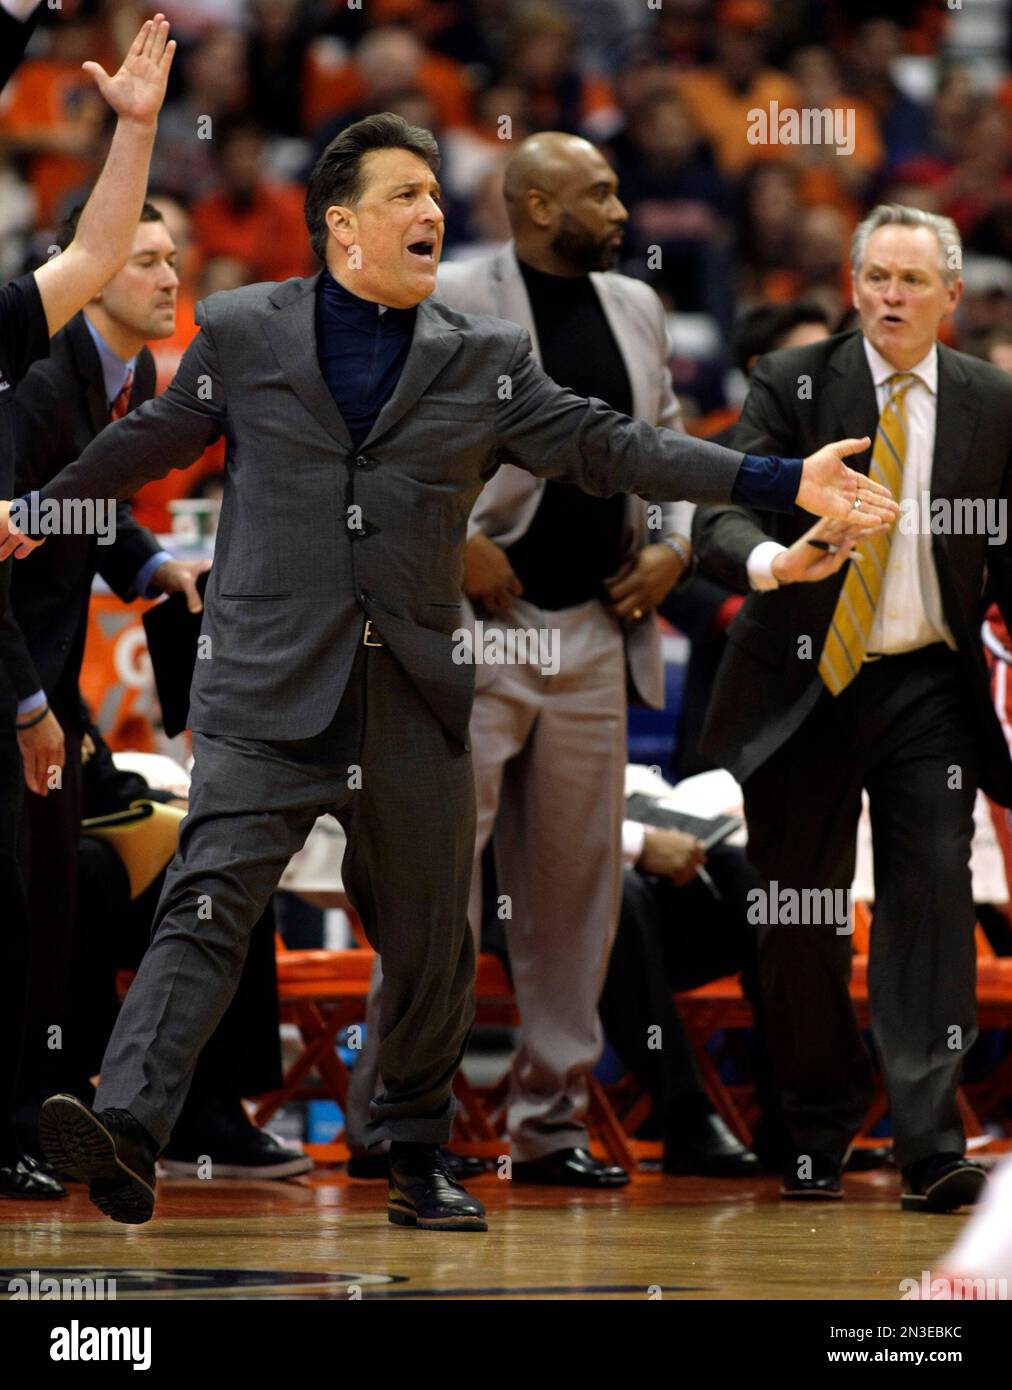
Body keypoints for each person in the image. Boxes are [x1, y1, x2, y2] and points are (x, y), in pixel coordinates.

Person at [0, 112, 893, 1233]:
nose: (433, 211)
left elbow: (612, 446)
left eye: (434, 193)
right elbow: (153, 439)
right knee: (207, 901)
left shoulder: (483, 355)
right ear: (341, 225)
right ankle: (128, 1126)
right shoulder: (244, 330)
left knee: (432, 939)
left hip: (411, 688)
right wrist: (42, 510)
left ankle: (417, 1150)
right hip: (267, 684)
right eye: (405, 195)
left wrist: (777, 479)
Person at [693, 203, 1012, 1213]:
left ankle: (930, 1144)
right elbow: (721, 508)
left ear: (950, 295)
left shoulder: (992, 399)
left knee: (932, 901)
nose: (890, 296)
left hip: (928, 684)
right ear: (853, 284)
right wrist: (771, 560)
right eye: (876, 276)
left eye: (912, 280)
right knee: (801, 919)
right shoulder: (792, 381)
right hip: (802, 680)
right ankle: (816, 1131)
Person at [435, 130, 691, 1187]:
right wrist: (452, 542)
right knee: (437, 884)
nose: (623, 211)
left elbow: (666, 435)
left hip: (593, 626)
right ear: (539, 205)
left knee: (576, 896)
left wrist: (674, 544)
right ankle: (401, 1119)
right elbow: (394, 442)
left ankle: (550, 1125)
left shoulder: (635, 304)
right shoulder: (452, 292)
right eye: (602, 193)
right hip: (479, 628)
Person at [0, 12, 175, 1201]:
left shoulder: (21, 329)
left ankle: (29, 1112)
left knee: (35, 909)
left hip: (21, 673)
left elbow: (98, 251)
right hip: (19, 678)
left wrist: (137, 130)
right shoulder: (31, 381)